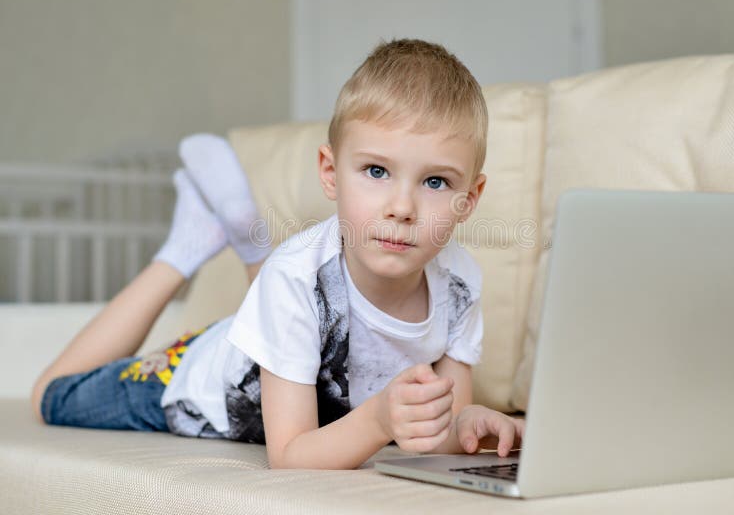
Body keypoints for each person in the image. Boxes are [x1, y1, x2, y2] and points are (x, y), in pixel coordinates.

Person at [30, 38, 524, 469]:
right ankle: (183, 250)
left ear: (469, 199)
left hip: (283, 324)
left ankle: (249, 245)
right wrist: (377, 419)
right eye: (376, 171)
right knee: (52, 397)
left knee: (293, 290)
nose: (402, 207)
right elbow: (290, 455)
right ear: (330, 173)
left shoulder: (459, 282)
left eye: (435, 181)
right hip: (203, 378)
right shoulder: (296, 279)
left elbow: (441, 429)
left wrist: (469, 424)